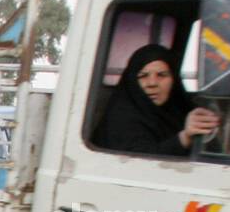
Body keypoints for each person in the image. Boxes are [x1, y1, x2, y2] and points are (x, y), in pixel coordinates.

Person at [92, 43, 221, 156]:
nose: (152, 83)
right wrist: (184, 138)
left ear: (174, 80)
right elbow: (138, 163)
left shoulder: (179, 109)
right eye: (143, 76)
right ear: (131, 81)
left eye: (162, 75)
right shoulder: (122, 118)